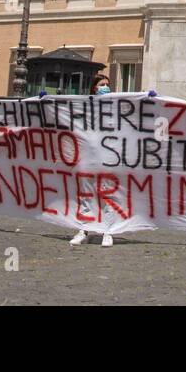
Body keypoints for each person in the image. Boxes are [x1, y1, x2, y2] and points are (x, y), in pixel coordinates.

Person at [70, 74, 116, 247]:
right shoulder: (84, 106)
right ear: (94, 88)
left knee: (107, 194)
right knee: (86, 195)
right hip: (88, 156)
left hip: (107, 156)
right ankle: (83, 229)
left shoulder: (115, 105)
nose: (106, 87)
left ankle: (108, 231)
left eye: (108, 84)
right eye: (102, 84)